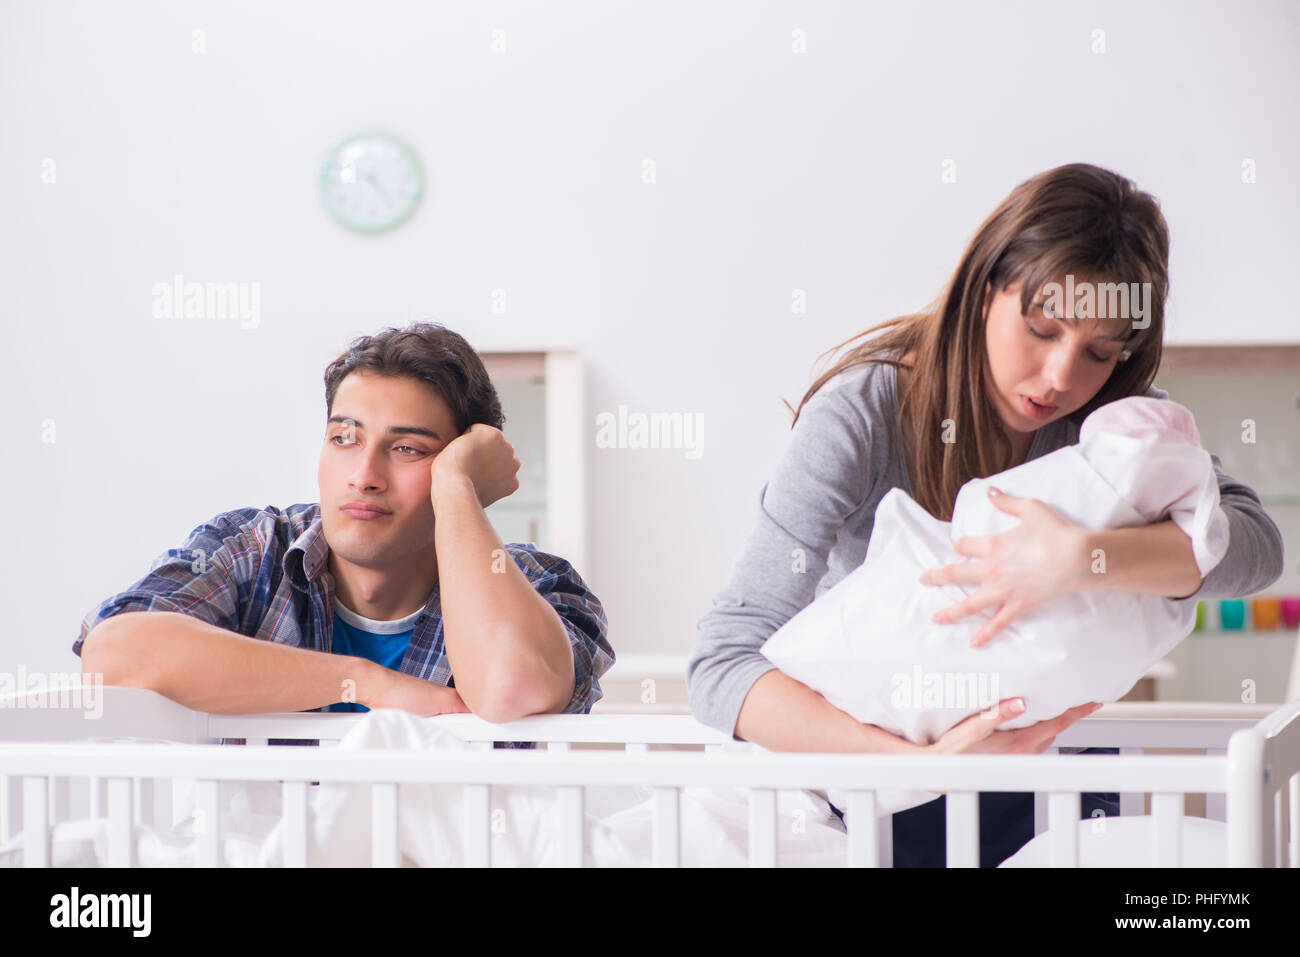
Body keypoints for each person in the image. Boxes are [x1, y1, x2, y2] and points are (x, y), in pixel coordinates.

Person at [686, 162, 1285, 866]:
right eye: (1041, 329)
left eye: (1098, 351)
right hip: (884, 785)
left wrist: (1081, 559)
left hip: (1052, 771)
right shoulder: (864, 415)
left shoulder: (1108, 422)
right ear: (982, 291)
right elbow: (720, 665)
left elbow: (1257, 546)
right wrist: (926, 763)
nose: (1062, 376)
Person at [75, 322, 614, 728]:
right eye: (344, 438)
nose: (365, 476)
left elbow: (509, 690)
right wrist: (368, 682)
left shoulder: (539, 586)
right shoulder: (252, 550)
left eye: (408, 448)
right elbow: (113, 657)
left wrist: (455, 487)